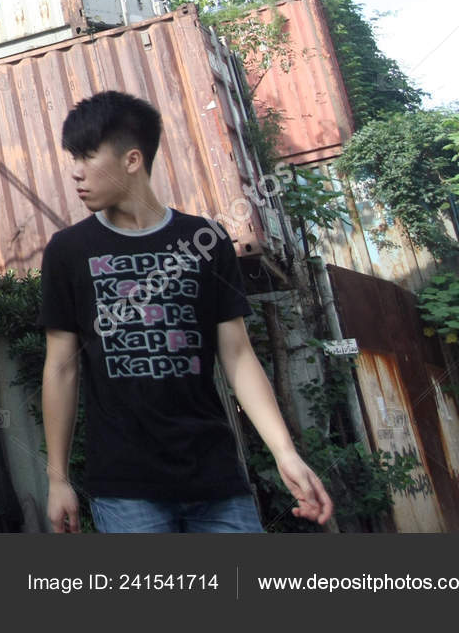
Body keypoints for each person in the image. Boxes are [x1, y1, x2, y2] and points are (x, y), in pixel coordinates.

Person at [38, 90, 333, 533]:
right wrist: (57, 479)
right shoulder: (69, 251)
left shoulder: (205, 241)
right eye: (73, 158)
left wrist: (284, 452)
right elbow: (61, 367)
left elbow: (237, 354)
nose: (76, 172)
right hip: (125, 489)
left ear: (132, 160)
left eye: (88, 156)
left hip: (216, 480)